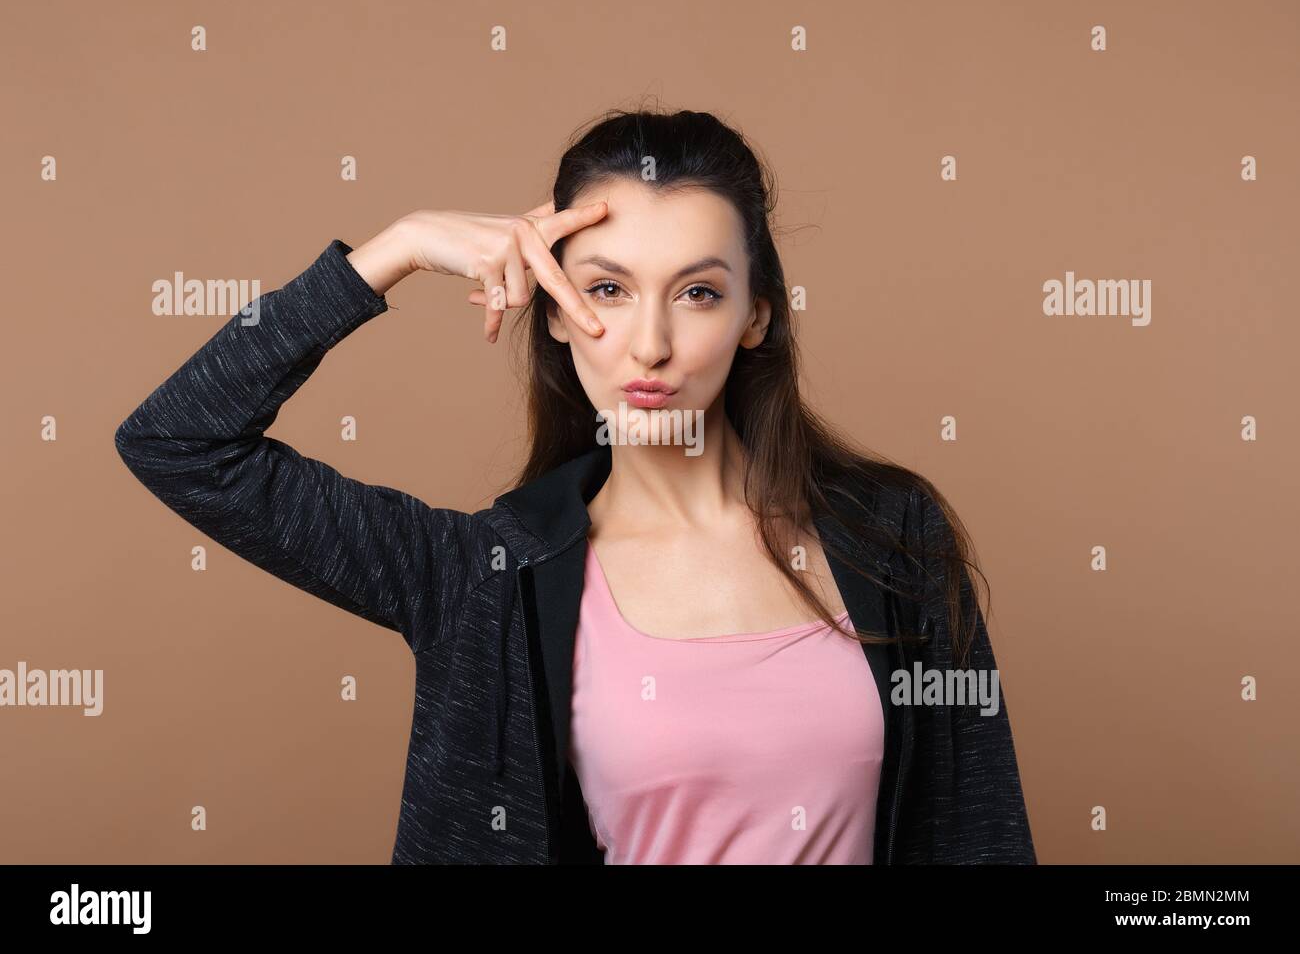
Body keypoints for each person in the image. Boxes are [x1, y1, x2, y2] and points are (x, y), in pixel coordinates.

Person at [115, 107, 1036, 864]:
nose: (651, 346)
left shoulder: (892, 536)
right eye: (606, 290)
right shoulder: (486, 578)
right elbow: (178, 440)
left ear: (755, 317)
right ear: (554, 312)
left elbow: (979, 835)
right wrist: (400, 247)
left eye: (698, 293)